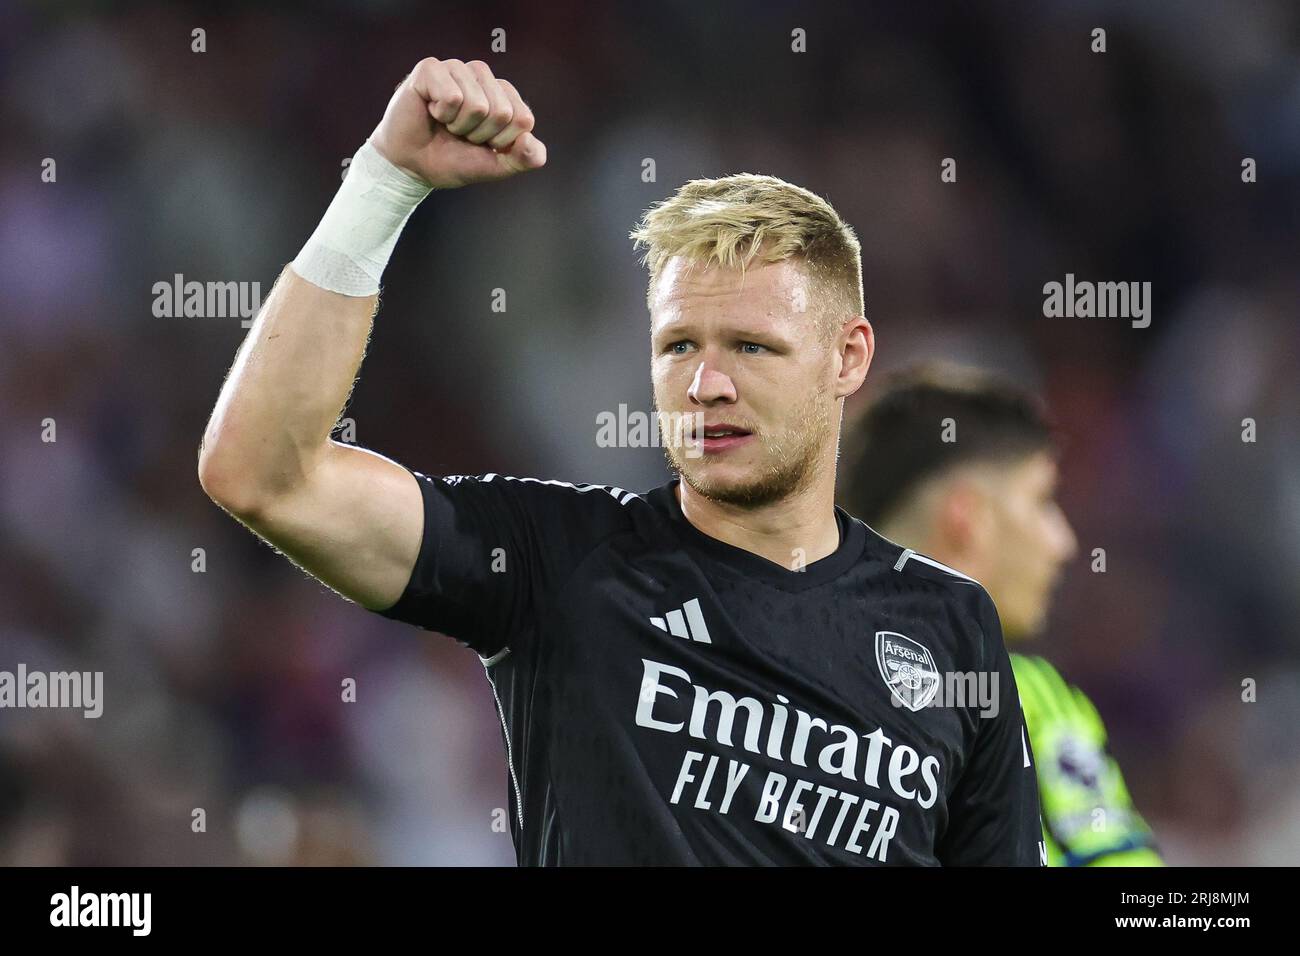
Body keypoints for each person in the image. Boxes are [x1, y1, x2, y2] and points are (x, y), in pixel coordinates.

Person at [198, 56, 1041, 865]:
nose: (708, 383)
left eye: (752, 346)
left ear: (848, 358)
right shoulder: (558, 561)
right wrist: (384, 182)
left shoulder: (951, 628)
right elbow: (267, 475)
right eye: (679, 346)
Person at [840, 362, 1164, 866]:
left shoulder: (784, 682)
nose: (1063, 542)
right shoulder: (1028, 697)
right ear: (968, 520)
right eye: (1042, 500)